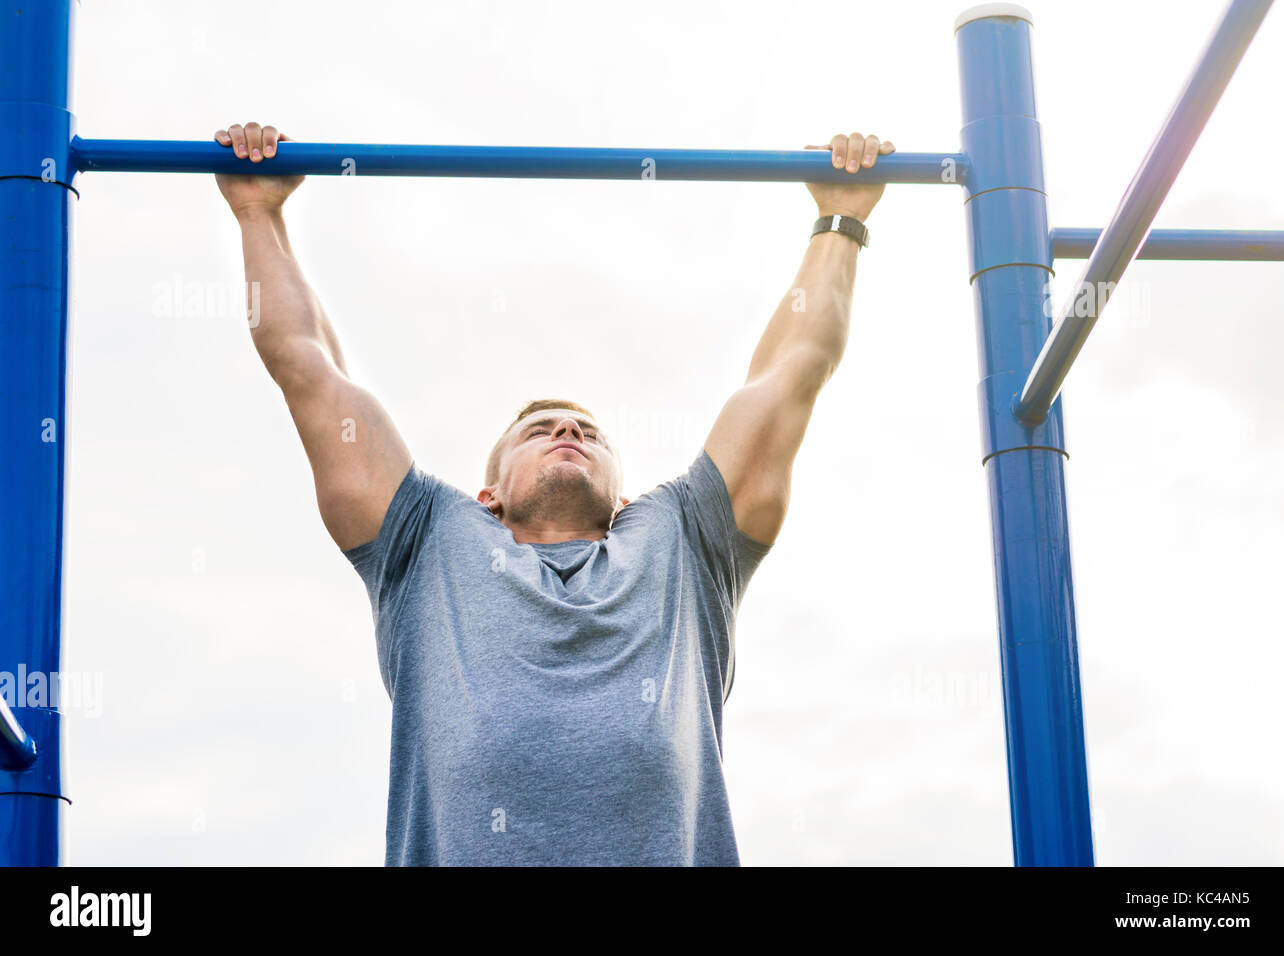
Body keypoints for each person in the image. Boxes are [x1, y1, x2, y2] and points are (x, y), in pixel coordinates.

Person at [213, 122, 894, 865]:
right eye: (539, 429)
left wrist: (841, 220)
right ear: (488, 495)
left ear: (624, 499)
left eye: (590, 433)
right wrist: (259, 214)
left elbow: (789, 373)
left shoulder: (681, 543)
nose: (568, 427)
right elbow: (307, 367)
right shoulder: (428, 543)